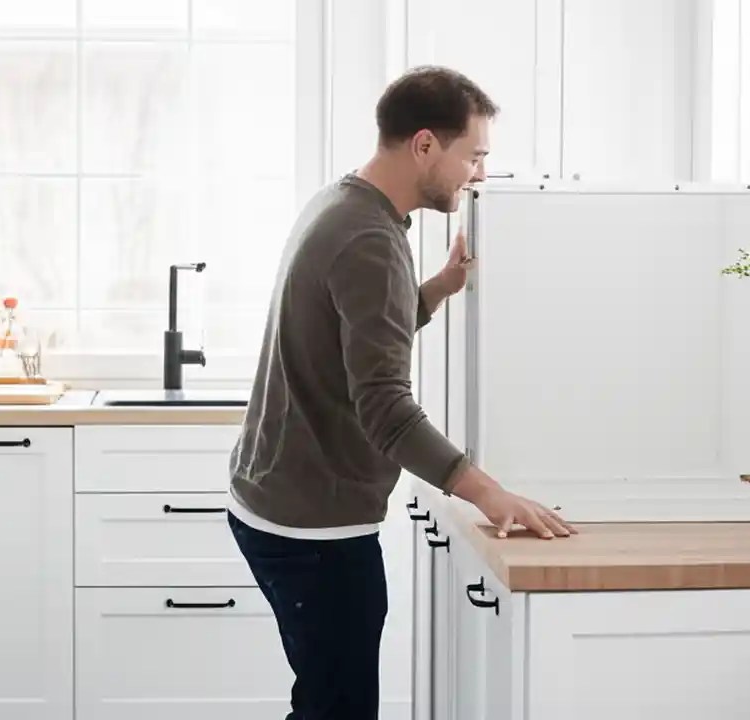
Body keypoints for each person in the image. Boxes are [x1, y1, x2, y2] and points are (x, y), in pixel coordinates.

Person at [226, 65, 575, 719]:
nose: (479, 174)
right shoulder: (371, 240)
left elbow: (355, 333)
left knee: (325, 700)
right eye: (474, 156)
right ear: (424, 145)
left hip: (277, 500)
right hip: (312, 529)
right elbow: (385, 408)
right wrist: (488, 492)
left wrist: (437, 288)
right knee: (339, 708)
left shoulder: (342, 203)